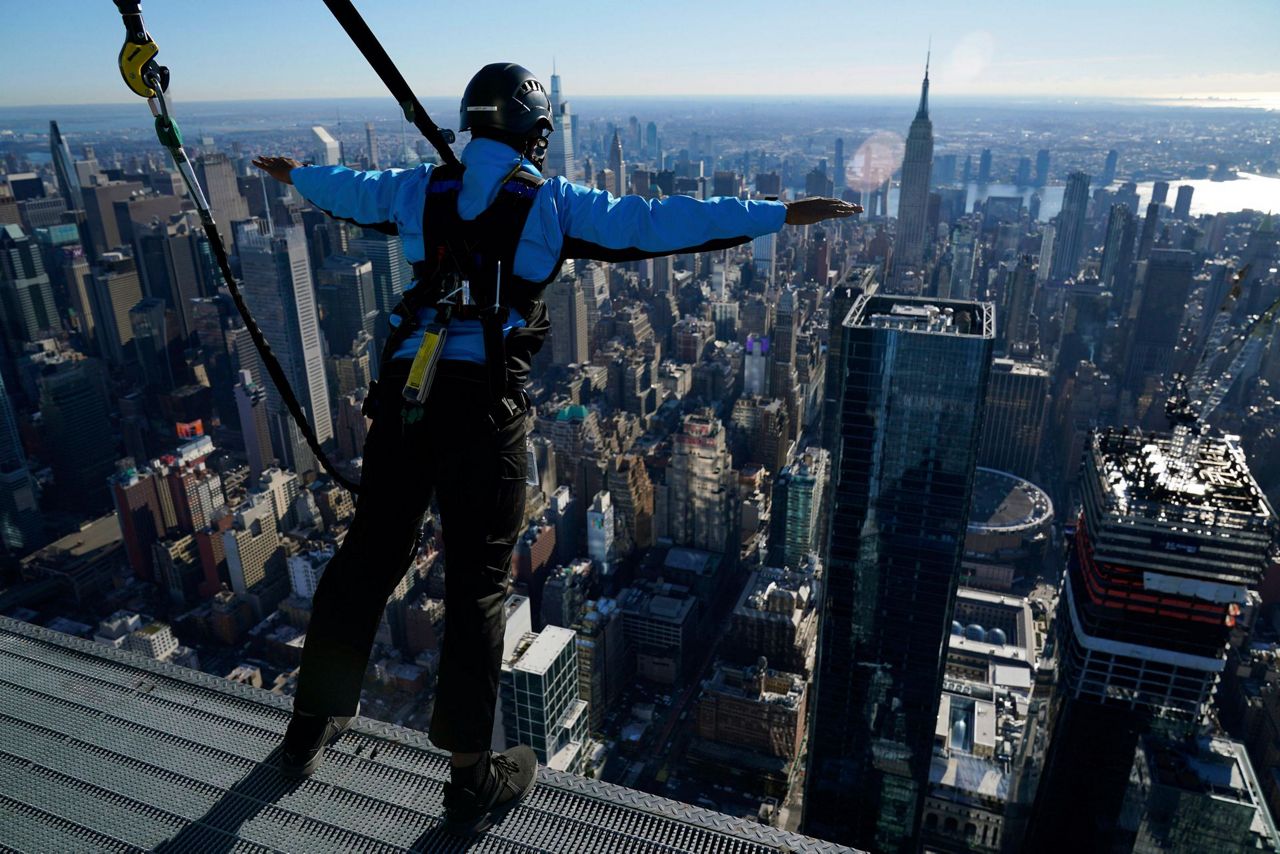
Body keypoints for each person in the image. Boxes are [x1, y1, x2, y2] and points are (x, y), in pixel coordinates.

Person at [253, 62, 858, 835]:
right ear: (536, 131)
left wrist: (294, 172)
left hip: (407, 398)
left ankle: (308, 728)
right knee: (478, 585)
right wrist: (778, 213)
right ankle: (471, 780)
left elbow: (346, 187)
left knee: (367, 557)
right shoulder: (550, 200)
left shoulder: (417, 188)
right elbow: (656, 220)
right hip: (481, 411)